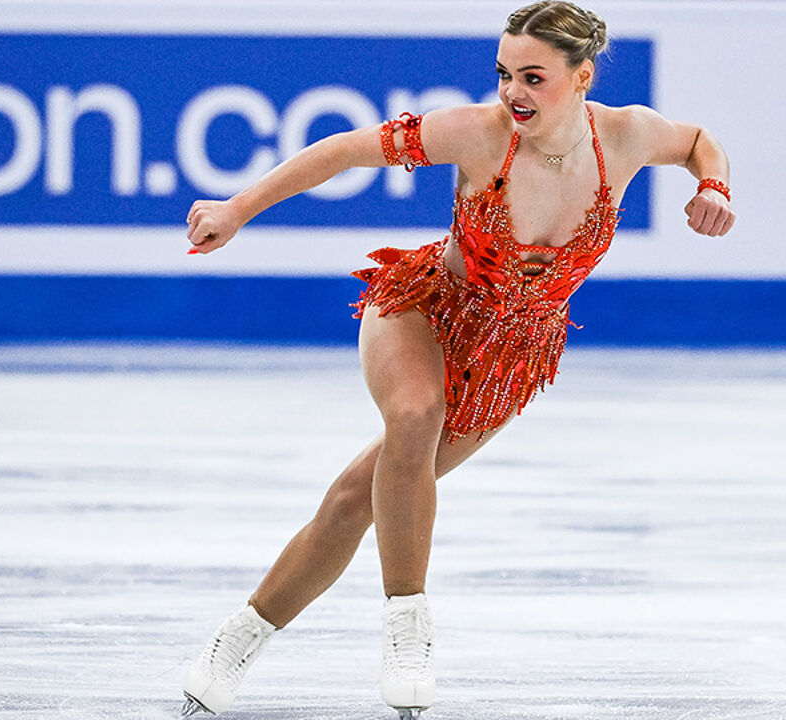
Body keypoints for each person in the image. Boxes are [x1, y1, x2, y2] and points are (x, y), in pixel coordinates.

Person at [178, 2, 734, 717]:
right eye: (504, 74)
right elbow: (344, 150)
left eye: (533, 77)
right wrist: (237, 207)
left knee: (358, 498)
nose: (513, 93)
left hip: (510, 358)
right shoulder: (476, 133)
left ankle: (239, 637)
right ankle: (408, 626)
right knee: (414, 414)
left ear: (583, 75)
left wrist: (713, 186)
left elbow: (699, 142)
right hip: (424, 308)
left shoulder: (626, 136)